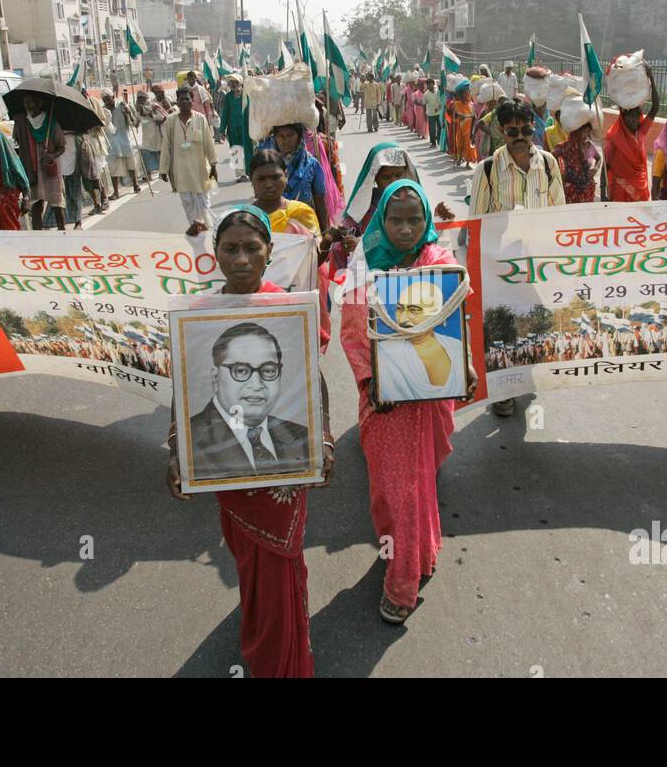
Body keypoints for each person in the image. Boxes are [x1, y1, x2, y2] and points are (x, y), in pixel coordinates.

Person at [167, 206, 334, 678]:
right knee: (250, 565)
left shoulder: (287, 307)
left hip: (286, 474)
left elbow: (312, 381)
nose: (240, 258)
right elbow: (185, 390)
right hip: (228, 477)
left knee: (280, 572)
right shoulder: (198, 318)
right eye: (230, 248)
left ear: (269, 254)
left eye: (251, 248)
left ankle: (281, 662)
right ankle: (259, 627)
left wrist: (325, 442)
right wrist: (176, 452)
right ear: (215, 254)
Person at [341, 180, 476, 623]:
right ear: (381, 219)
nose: (404, 229)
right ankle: (415, 547)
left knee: (410, 491)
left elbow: (456, 318)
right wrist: (369, 382)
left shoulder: (439, 260)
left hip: (427, 395)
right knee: (391, 493)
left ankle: (402, 586)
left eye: (414, 219)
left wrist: (467, 366)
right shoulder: (366, 265)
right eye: (395, 219)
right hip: (383, 400)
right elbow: (352, 333)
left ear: (426, 221)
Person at [472, 98, 567, 418]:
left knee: (536, 325)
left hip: (538, 263)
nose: (521, 137)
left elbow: (559, 214)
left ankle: (522, 375)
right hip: (503, 263)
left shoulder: (549, 164)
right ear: (502, 131)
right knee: (504, 328)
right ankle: (504, 391)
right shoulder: (487, 169)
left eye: (527, 129)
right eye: (513, 131)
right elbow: (476, 223)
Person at [188, 321, 311, 480]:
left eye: (268, 370)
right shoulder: (190, 442)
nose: (256, 384)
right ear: (215, 378)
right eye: (240, 371)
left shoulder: (302, 435)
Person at [375, 279, 468, 402]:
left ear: (437, 314)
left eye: (414, 310)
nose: (402, 319)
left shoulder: (456, 348)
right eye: (399, 309)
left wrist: (469, 366)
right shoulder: (385, 354)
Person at [159, 86, 218, 238]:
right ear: (177, 102)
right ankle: (197, 233)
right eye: (181, 99)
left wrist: (214, 164)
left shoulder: (200, 119)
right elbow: (166, 145)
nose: (185, 101)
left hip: (201, 171)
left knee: (205, 204)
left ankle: (207, 233)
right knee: (188, 205)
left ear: (192, 101)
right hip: (181, 172)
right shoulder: (171, 121)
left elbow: (208, 143)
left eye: (187, 99)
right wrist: (163, 170)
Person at [257, 123, 329, 233]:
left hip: (305, 230)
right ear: (275, 138)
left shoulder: (311, 165)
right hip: (275, 231)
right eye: (281, 136)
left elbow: (320, 202)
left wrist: (325, 233)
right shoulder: (267, 166)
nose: (285, 140)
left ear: (299, 136)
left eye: (290, 135)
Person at [603, 65, 661, 202]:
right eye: (630, 116)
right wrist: (603, 192)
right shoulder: (614, 137)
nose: (634, 120)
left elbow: (655, 108)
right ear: (623, 118)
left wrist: (650, 77)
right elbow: (606, 165)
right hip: (621, 190)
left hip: (640, 188)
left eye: (636, 116)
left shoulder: (641, 131)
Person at [12, 93, 67, 231]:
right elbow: (16, 144)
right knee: (36, 206)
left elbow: (62, 147)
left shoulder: (51, 123)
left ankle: (63, 234)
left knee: (57, 205)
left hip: (49, 169)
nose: (27, 106)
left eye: (30, 102)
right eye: (25, 102)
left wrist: (51, 155)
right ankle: (38, 236)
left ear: (39, 104)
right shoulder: (21, 122)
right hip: (31, 169)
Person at [249, 150, 319, 236]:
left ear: (286, 176)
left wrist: (327, 241)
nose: (269, 185)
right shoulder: (244, 217)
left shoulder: (300, 213)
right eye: (261, 179)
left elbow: (314, 246)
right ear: (251, 179)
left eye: (275, 177)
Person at [553, 101, 602, 204]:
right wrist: (560, 174)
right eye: (584, 131)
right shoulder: (564, 147)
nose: (586, 135)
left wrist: (596, 168)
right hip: (570, 193)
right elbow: (550, 157)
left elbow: (599, 158)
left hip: (587, 190)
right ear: (576, 131)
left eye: (588, 132)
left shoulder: (589, 146)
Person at [104, 90, 147, 198]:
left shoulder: (122, 106)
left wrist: (128, 112)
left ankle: (135, 185)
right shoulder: (103, 110)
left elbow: (135, 124)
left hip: (125, 141)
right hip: (112, 143)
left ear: (113, 97)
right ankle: (116, 192)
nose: (107, 102)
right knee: (113, 168)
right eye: (105, 100)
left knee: (131, 165)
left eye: (108, 99)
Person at [218, 75, 253, 183]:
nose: (233, 84)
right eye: (231, 82)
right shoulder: (228, 97)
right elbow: (225, 113)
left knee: (248, 150)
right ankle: (241, 175)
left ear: (240, 82)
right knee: (236, 151)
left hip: (246, 127)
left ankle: (250, 171)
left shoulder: (247, 95)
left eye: (235, 82)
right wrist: (222, 130)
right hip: (233, 129)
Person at [446, 81, 479, 169]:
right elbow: (456, 114)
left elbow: (474, 116)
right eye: (465, 93)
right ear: (461, 95)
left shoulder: (472, 105)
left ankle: (468, 162)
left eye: (468, 93)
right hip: (461, 126)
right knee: (460, 143)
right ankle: (460, 158)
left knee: (468, 144)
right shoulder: (457, 104)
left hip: (469, 127)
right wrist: (466, 116)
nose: (467, 95)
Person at [136, 91, 167, 183]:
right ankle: (147, 175)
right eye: (139, 98)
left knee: (160, 154)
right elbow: (135, 122)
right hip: (146, 137)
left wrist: (150, 114)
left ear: (146, 97)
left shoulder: (154, 106)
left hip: (156, 135)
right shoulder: (139, 109)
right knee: (145, 155)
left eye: (142, 97)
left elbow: (164, 117)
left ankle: (163, 172)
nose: (141, 100)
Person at [424, 79, 443, 147]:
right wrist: (424, 114)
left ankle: (439, 140)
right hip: (430, 113)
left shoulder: (438, 92)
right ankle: (433, 143)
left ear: (433, 84)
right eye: (428, 85)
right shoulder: (425, 94)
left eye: (430, 84)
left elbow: (441, 100)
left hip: (439, 113)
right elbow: (424, 104)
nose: (429, 86)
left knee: (440, 128)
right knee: (432, 129)